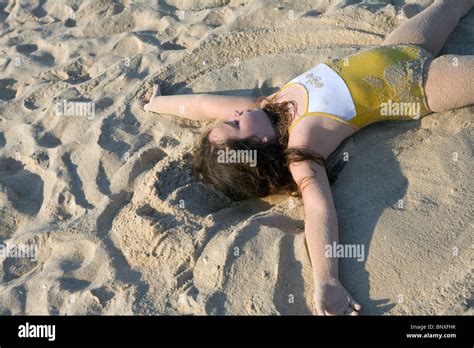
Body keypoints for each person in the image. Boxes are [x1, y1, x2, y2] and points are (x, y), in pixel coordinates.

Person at [144, 0, 474, 315]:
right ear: (258, 143)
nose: (234, 112)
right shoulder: (303, 145)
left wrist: (157, 104)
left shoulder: (266, 107)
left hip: (392, 49)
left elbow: (203, 107)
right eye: (233, 123)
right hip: (419, 84)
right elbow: (319, 210)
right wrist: (326, 280)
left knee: (449, 5)